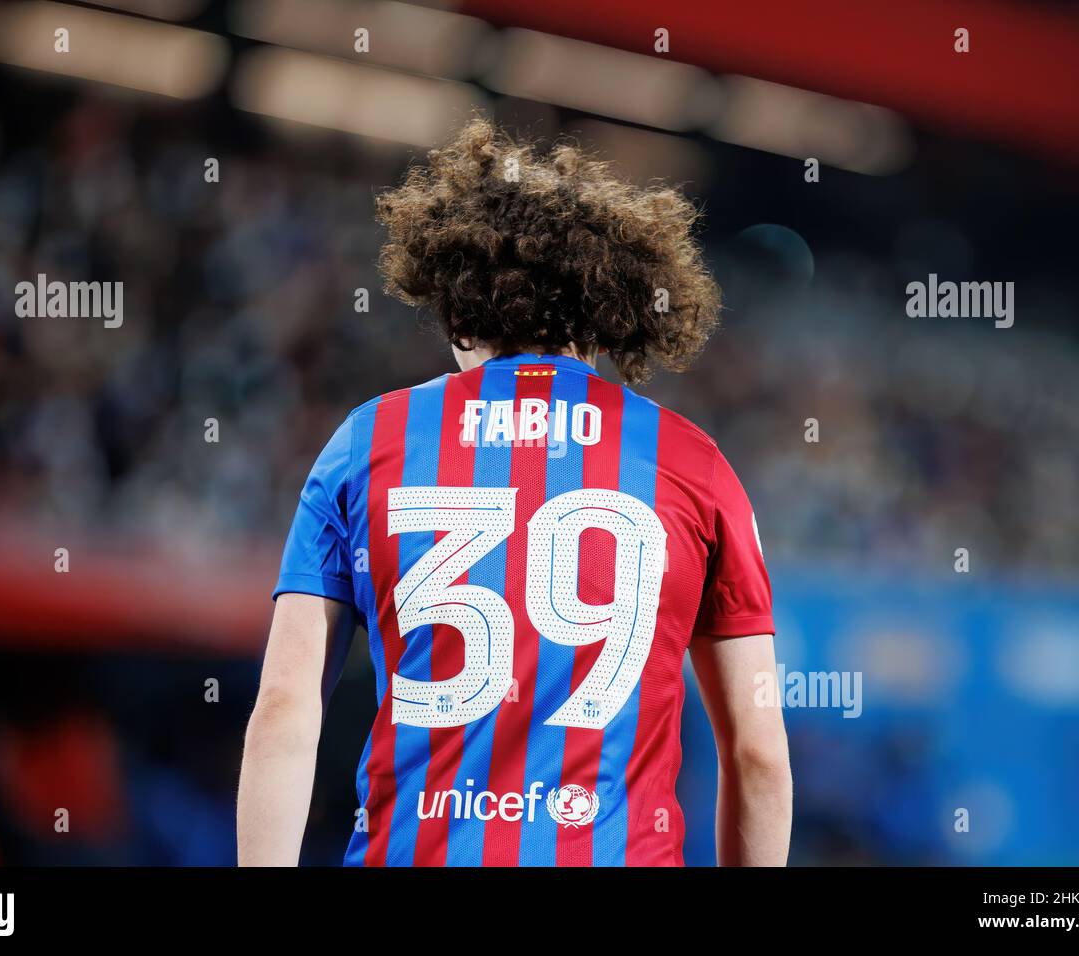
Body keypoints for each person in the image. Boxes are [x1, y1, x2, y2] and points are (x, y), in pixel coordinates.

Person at [237, 119, 791, 867]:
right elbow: (757, 752)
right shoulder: (694, 465)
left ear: (456, 310)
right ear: (604, 317)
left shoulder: (367, 442)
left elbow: (284, 709)